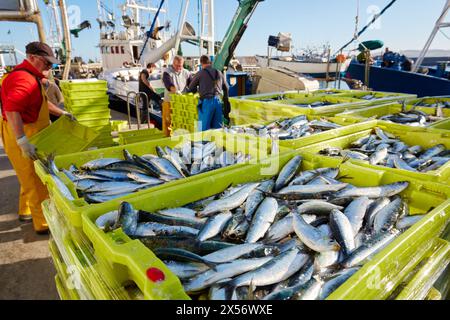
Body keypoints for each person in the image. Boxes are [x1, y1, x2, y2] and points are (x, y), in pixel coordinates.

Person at [0, 42, 75, 234]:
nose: (50, 67)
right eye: (46, 63)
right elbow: (12, 109)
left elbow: (41, 103)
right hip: (23, 132)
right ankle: (43, 224)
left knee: (26, 175)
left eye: (51, 64)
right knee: (35, 180)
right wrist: (22, 140)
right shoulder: (24, 79)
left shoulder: (31, 76)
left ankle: (26, 211)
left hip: (31, 131)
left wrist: (61, 114)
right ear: (31, 57)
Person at [186, 55, 229, 131]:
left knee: (202, 128)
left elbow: (191, 87)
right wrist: (226, 100)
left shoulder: (200, 73)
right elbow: (226, 88)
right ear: (210, 62)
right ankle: (216, 142)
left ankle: (202, 142)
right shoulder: (218, 72)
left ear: (201, 63)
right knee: (218, 128)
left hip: (206, 102)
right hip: (218, 102)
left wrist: (197, 90)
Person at [162, 55, 192, 136]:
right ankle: (167, 137)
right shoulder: (167, 72)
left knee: (181, 121)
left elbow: (191, 84)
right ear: (173, 64)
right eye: (178, 65)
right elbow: (169, 84)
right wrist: (176, 91)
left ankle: (180, 136)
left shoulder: (186, 72)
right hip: (170, 101)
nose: (180, 67)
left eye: (181, 65)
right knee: (168, 121)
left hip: (182, 102)